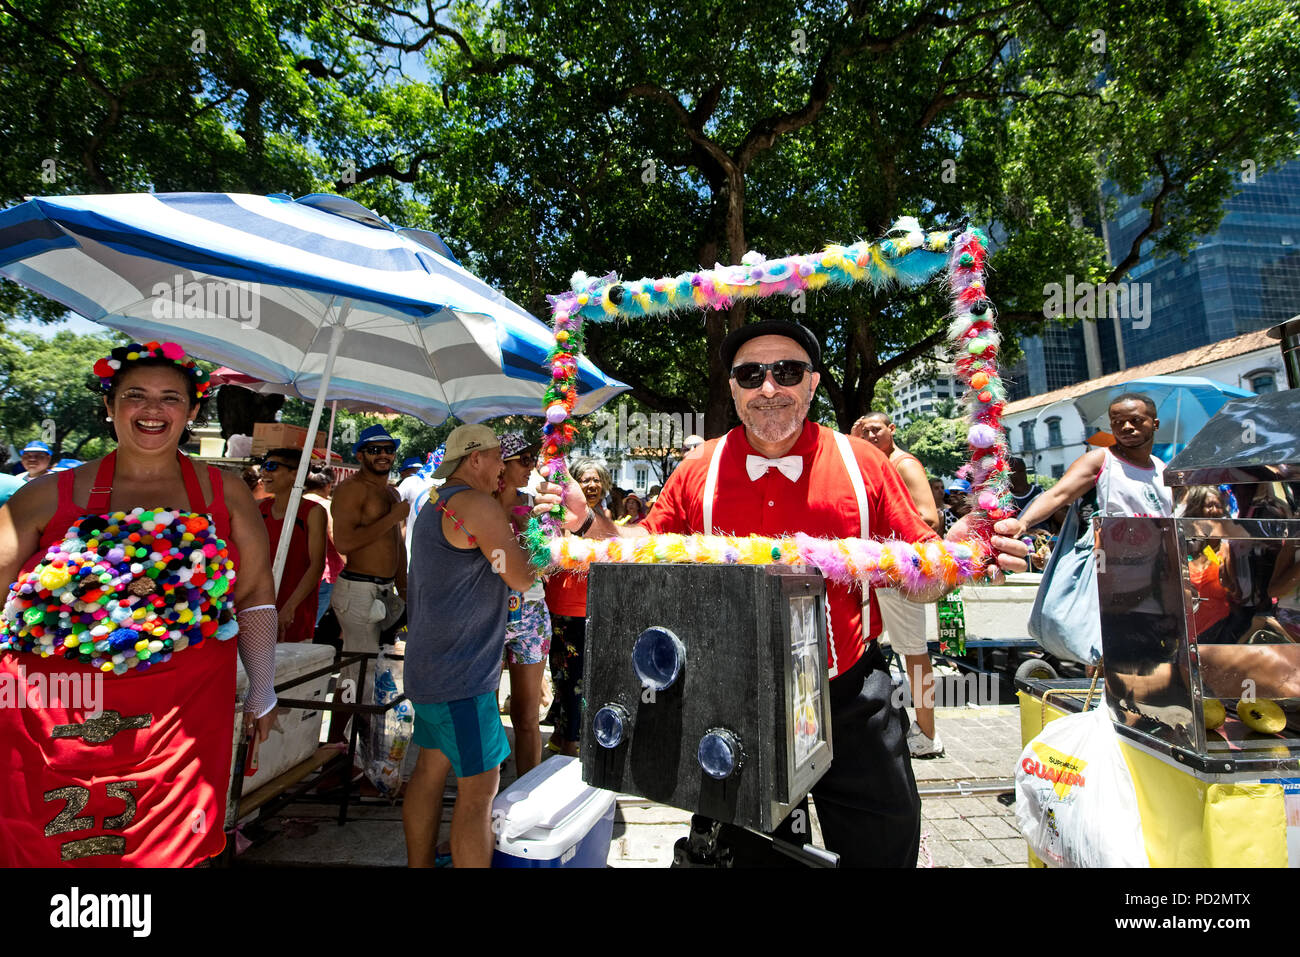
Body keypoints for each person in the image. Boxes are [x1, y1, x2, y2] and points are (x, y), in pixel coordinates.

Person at [536, 319, 1028, 867]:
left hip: (850, 697)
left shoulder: (864, 464)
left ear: (812, 384)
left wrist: (962, 555)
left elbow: (924, 578)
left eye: (787, 371)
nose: (769, 387)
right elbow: (635, 556)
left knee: (883, 848)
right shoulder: (697, 469)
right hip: (730, 700)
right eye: (751, 374)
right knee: (740, 856)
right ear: (733, 388)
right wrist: (589, 524)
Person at [0, 341, 277, 866]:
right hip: (54, 715)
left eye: (171, 398)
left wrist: (261, 691)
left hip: (184, 720)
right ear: (109, 406)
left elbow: (257, 594)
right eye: (136, 396)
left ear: (193, 411)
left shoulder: (226, 493)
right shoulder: (43, 497)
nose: (153, 410)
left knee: (170, 850)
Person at [403, 425, 538, 867]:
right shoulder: (475, 505)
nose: (503, 466)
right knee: (480, 789)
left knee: (429, 772)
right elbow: (520, 577)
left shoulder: (434, 503)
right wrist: (542, 548)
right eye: (499, 457)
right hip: (461, 674)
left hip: (430, 668)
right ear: (474, 458)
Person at [856, 411, 945, 757]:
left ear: (892, 430)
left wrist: (878, 529)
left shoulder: (904, 464)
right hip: (874, 569)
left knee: (914, 652)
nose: (869, 436)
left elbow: (929, 517)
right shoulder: (870, 463)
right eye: (863, 432)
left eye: (875, 430)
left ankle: (927, 733)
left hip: (900, 571)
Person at [329, 424, 408, 743]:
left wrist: (406, 592)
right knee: (355, 676)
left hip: (384, 593)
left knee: (375, 679)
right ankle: (340, 749)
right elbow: (345, 543)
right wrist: (392, 516)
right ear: (360, 454)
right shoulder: (351, 489)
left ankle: (364, 756)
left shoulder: (390, 492)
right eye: (374, 449)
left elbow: (397, 546)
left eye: (388, 448)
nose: (383, 454)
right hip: (358, 591)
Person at [543, 457, 611, 757]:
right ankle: (568, 746)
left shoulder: (607, 520)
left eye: (597, 480)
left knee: (584, 681)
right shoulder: (560, 517)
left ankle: (570, 739)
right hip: (563, 607)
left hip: (595, 609)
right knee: (566, 680)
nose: (592, 485)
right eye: (586, 480)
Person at [495, 432, 550, 776]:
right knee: (484, 710)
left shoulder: (531, 509)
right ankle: (485, 786)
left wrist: (528, 528)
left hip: (530, 612)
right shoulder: (480, 506)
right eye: (525, 460)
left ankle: (528, 790)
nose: (532, 467)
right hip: (490, 612)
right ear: (501, 464)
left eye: (533, 459)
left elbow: (544, 566)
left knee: (527, 716)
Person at [258, 447, 327, 643]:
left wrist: (290, 607)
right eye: (264, 466)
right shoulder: (259, 508)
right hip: (258, 605)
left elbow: (317, 565)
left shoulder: (313, 512)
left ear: (295, 473)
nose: (264, 472)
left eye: (272, 466)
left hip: (294, 609)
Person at [303, 467, 344, 625]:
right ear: (328, 485)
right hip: (323, 571)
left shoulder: (297, 502)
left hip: (299, 568)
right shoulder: (326, 506)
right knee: (313, 618)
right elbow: (335, 536)